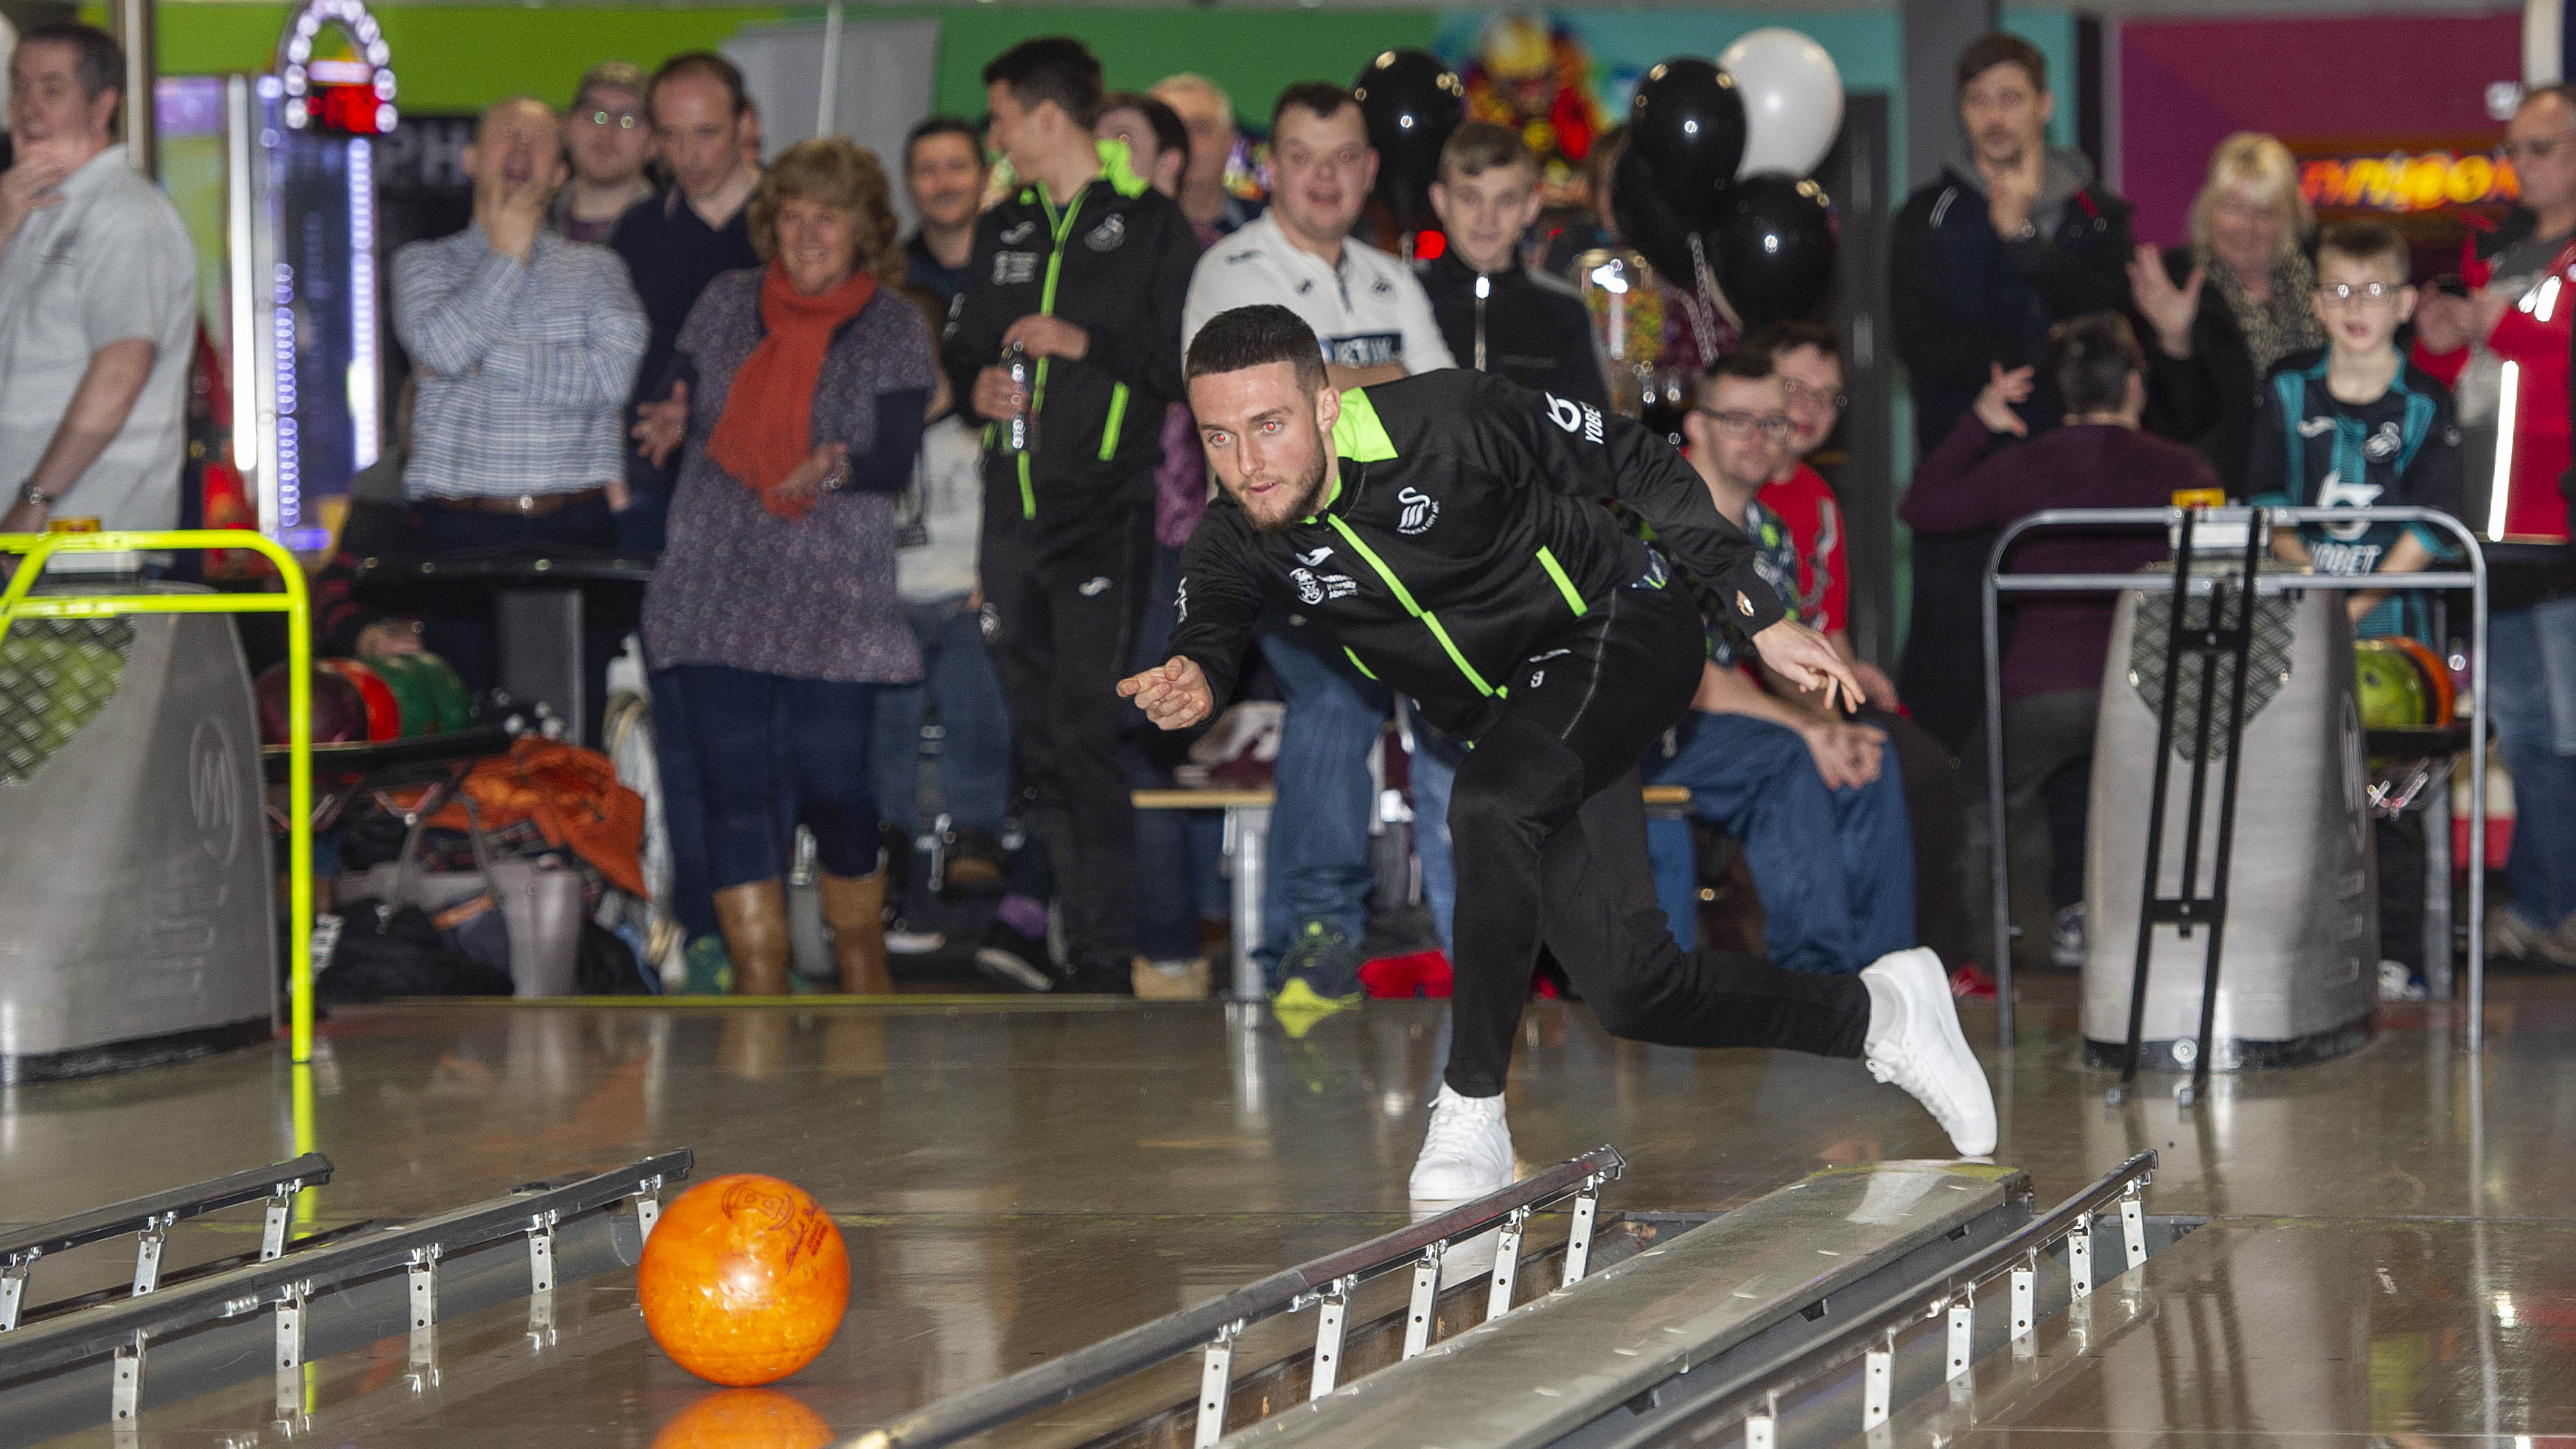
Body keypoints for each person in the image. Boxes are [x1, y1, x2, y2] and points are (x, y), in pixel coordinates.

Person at [1129, 304, 1994, 1199]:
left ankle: (1471, 1107)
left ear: (1324, 406)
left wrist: (1757, 610)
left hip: (1622, 623)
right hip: (1525, 720)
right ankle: (1884, 1013)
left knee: (1488, 801)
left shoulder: (1449, 422)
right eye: (1220, 437)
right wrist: (1196, 672)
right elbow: (1211, 617)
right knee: (1635, 989)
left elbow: (1636, 457)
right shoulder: (1241, 530)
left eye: (1269, 426)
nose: (1248, 463)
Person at [634, 139, 935, 997]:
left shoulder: (895, 325)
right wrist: (666, 421)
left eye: (827, 219)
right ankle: (758, 975)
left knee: (833, 781)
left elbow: (892, 458)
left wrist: (832, 468)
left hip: (834, 590)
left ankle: (860, 957)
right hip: (717, 579)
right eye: (793, 216)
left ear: (864, 229)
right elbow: (674, 394)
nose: (806, 236)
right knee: (734, 786)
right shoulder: (725, 301)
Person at [1182, 82, 1458, 1010]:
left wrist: (1338, 386)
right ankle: (1316, 933)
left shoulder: (1390, 276)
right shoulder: (1229, 271)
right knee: (1339, 693)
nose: (1324, 177)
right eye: (1302, 157)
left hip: (1400, 552)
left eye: (1343, 157)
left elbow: (1444, 402)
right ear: (1272, 169)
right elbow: (1272, 403)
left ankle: (1474, 939)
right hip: (1278, 546)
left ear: (1371, 168)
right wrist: (1386, 379)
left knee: (1468, 690)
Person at [940, 37, 1201, 994]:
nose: (995, 137)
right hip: (1007, 515)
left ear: (1047, 117)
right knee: (1041, 737)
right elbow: (966, 342)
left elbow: (1180, 361)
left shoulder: (1152, 225)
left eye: (1002, 117)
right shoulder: (1002, 224)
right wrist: (978, 384)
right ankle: (1071, 942)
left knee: (1088, 730)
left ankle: (1103, 957)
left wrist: (1080, 340)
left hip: (1104, 511)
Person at [1902, 314, 2217, 971]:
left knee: (1977, 808)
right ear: (2134, 384)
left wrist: (1978, 422)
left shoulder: (2021, 465)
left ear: (2059, 390)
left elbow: (1922, 507)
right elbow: (2216, 566)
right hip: (2147, 689)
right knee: (2176, 807)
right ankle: (2173, 953)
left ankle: (1966, 968)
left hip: (2038, 688)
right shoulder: (2183, 468)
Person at [1891, 32, 2133, 753]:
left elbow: (2108, 327)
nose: (1994, 117)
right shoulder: (1925, 214)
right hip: (1965, 478)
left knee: (2077, 693)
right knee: (1948, 686)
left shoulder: (2098, 214)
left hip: (2076, 485)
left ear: (2044, 105)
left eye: (2010, 98)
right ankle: (1940, 823)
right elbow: (1918, 340)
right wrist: (2037, 352)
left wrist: (2024, 239)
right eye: (1978, 101)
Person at [1641, 350, 1915, 976]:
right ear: (1696, 426)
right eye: (1738, 420)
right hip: (1639, 730)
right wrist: (1806, 730)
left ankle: (1884, 979)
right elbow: (1683, 678)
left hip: (1712, 724)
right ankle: (1815, 979)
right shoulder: (1655, 520)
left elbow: (1777, 662)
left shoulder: (1765, 531)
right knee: (1784, 756)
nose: (1759, 438)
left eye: (1772, 422)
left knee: (1870, 755)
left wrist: (1834, 729)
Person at [2247, 221, 2462, 987]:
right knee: (2301, 795)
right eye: (2337, 289)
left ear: (2404, 303)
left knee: (2393, 800)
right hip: (2303, 629)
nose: (2355, 306)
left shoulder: (2427, 402)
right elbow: (2267, 505)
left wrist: (2355, 602)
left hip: (2399, 639)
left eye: (2373, 290)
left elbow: (2431, 529)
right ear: (2315, 302)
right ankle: (2305, 954)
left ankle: (2398, 954)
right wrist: (2320, 594)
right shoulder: (2286, 388)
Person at [389, 95, 646, 730]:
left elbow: (609, 379)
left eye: (539, 140)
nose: (521, 149)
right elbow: (440, 346)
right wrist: (506, 257)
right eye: (506, 134)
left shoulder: (599, 270)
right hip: (458, 531)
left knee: (569, 736)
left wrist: (482, 358)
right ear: (471, 159)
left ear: (559, 174)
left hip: (572, 527)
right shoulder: (422, 263)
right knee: (464, 734)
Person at [1746, 320, 1980, 981]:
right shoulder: (1727, 485)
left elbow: (1826, 620)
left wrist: (1854, 673)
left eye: (1827, 397)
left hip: (1815, 687)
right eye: (1794, 388)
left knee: (1926, 766)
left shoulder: (1818, 499)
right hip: (1746, 693)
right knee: (1868, 765)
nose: (1810, 409)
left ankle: (1928, 964)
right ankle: (1849, 966)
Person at [2414, 85, 2576, 966]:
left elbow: (2544, 346)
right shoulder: (2497, 250)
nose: (2523, 165)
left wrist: (2498, 325)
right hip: (2495, 533)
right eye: (2515, 148)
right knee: (2526, 732)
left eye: (2541, 147)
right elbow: (2461, 380)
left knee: (2568, 731)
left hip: (2564, 532)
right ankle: (2547, 907)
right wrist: (2441, 335)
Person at [1103, 88, 1227, 997]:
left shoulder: (1218, 258)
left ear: (1174, 160)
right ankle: (1165, 941)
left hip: (1189, 526)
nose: (1107, 159)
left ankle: (1185, 940)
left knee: (1164, 727)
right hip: (1100, 531)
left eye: (1125, 143)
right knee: (1130, 730)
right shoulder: (1086, 255)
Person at [0, 23, 197, 538]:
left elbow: (122, 369)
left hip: (85, 540)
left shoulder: (125, 212)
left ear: (101, 106)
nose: (28, 108)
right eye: (19, 86)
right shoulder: (28, 211)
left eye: (52, 90)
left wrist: (34, 500)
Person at [870, 287, 1019, 961]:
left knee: (974, 682)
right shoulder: (871, 441)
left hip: (963, 596)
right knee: (891, 699)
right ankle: (890, 838)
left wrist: (993, 577)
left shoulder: (973, 432)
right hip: (893, 603)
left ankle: (975, 833)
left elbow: (1008, 517)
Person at [609, 52, 764, 555]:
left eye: (707, 133)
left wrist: (704, 408)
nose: (690, 156)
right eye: (672, 136)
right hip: (654, 479)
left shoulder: (797, 230)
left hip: (765, 480)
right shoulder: (636, 232)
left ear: (745, 124)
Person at [2128, 133, 2321, 492]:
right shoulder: (2178, 283)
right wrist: (2175, 343)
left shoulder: (2323, 280)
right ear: (2208, 210)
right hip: (2221, 495)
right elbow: (2176, 426)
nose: (2246, 226)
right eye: (2233, 208)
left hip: (2318, 489)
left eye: (2264, 213)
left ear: (2289, 219)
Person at [1420, 120, 1610, 408]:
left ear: (1532, 207)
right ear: (1440, 200)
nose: (1487, 218)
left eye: (1506, 201)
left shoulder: (1565, 312)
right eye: (1470, 198)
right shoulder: (1404, 294)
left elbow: (1593, 428)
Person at [1151, 73, 1263, 245]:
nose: (1185, 142)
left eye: (1200, 128)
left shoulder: (1269, 225)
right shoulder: (1120, 229)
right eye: (1170, 129)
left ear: (1229, 142)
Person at [555, 61, 657, 245]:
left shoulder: (675, 238)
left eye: (627, 120)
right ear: (567, 127)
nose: (607, 131)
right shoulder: (530, 227)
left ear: (654, 143)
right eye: (595, 115)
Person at [901, 117, 985, 306]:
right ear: (908, 185)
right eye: (928, 170)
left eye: (957, 167)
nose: (945, 185)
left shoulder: (1023, 270)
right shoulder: (890, 277)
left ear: (984, 177)